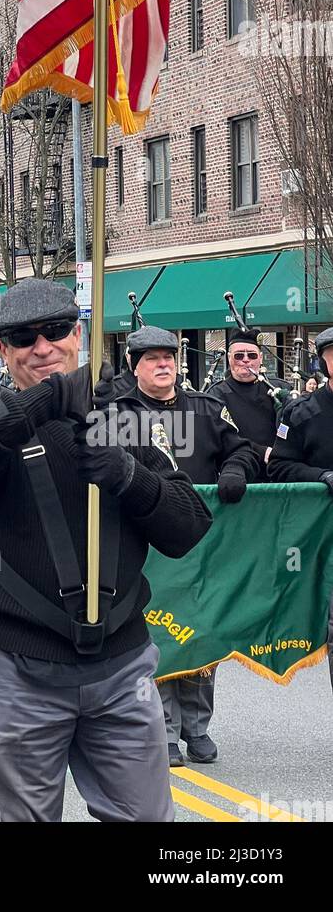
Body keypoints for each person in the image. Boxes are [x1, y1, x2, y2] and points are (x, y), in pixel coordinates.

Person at [0, 279, 213, 824]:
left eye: (57, 331)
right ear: (2, 351)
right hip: (17, 667)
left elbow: (188, 527)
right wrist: (56, 396)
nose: (42, 347)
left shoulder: (124, 421)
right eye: (23, 338)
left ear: (78, 334)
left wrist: (129, 475)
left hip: (121, 666)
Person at [109, 325, 262, 766]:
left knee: (199, 631)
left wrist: (234, 470)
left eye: (169, 357)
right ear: (134, 365)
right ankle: (164, 729)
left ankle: (197, 727)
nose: (163, 365)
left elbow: (243, 450)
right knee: (159, 633)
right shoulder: (116, 414)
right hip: (143, 542)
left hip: (199, 542)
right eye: (152, 358)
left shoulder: (206, 408)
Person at [269, 326, 333, 695]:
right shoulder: (301, 413)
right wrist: (321, 476)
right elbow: (278, 467)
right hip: (323, 536)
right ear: (323, 362)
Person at [207, 330, 286, 461]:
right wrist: (262, 452)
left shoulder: (278, 388)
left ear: (260, 358)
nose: (245, 360)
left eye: (252, 355)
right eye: (238, 356)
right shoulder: (216, 394)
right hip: (238, 465)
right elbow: (221, 437)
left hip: (279, 466)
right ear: (229, 358)